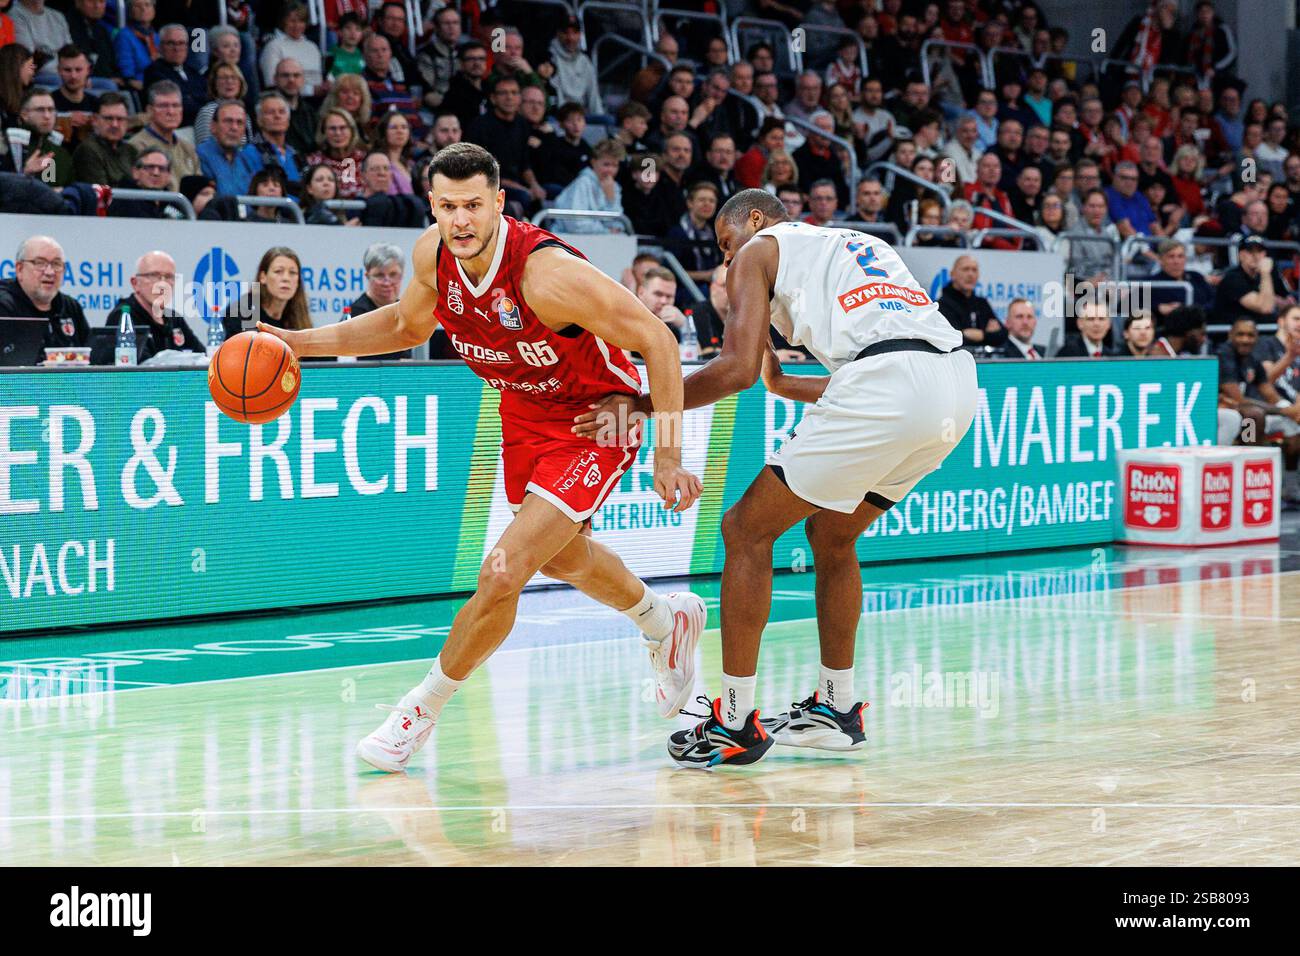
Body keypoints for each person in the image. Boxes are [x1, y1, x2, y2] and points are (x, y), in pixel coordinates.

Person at [255, 143, 705, 771]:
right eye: (447, 206)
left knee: (502, 571)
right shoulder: (431, 256)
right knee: (563, 556)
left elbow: (657, 337)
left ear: (498, 203)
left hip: (595, 418)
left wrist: (666, 451)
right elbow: (405, 328)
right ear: (432, 205)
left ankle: (419, 710)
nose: (460, 220)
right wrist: (299, 343)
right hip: (521, 410)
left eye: (473, 205)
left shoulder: (546, 276)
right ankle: (663, 621)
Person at [576, 189, 978, 767]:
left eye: (725, 244)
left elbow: (735, 371)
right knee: (833, 536)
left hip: (887, 382)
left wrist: (642, 403)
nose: (725, 260)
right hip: (955, 386)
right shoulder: (857, 242)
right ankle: (836, 709)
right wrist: (783, 382)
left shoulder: (758, 250)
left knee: (744, 530)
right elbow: (884, 364)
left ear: (756, 221)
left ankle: (734, 721)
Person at [1218, 317, 1300, 457]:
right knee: (1253, 417)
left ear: (1257, 338)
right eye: (1240, 334)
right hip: (1222, 409)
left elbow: (1270, 394)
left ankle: (1290, 474)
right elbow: (1238, 399)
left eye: (1250, 335)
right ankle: (1248, 460)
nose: (1245, 339)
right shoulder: (1224, 355)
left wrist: (1292, 410)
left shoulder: (1252, 358)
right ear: (1230, 335)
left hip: (1245, 409)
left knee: (1290, 422)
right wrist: (1285, 410)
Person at [107, 250, 204, 361]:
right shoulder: (123, 318)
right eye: (154, 276)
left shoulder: (174, 318)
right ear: (135, 283)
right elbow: (142, 369)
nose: (162, 284)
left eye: (168, 277)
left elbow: (203, 357)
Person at [0, 235, 89, 349]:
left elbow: (90, 357)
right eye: (40, 263)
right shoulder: (4, 306)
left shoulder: (70, 307)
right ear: (19, 269)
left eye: (56, 264)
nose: (50, 272)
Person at [222, 246, 312, 339]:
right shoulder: (241, 311)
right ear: (263, 277)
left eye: (292, 273)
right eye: (278, 271)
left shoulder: (297, 313)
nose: (286, 278)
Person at [127, 80, 201, 189]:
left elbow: (200, 189)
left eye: (175, 105)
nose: (170, 112)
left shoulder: (188, 148)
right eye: (163, 106)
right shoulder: (136, 146)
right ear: (150, 110)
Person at [346, 242, 412, 360]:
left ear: (402, 275)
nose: (387, 282)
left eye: (393, 274)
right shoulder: (356, 315)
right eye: (380, 275)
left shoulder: (405, 311)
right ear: (367, 276)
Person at [1214, 236, 1293, 328]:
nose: (1255, 256)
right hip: (1234, 334)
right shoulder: (1232, 278)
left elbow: (1289, 303)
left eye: (1259, 251)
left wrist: (1277, 301)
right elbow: (1265, 308)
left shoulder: (1268, 275)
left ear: (1265, 254)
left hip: (1261, 331)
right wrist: (1265, 273)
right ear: (1241, 255)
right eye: (1250, 251)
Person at [142, 23, 205, 126]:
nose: (177, 48)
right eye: (171, 43)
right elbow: (182, 104)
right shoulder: (154, 72)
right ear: (160, 47)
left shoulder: (193, 72)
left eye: (181, 43)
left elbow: (206, 97)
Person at [937, 255, 1004, 347]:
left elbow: (1003, 334)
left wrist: (981, 335)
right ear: (952, 274)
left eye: (974, 270)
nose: (970, 274)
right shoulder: (942, 305)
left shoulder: (982, 303)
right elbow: (950, 339)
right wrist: (988, 335)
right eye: (965, 269)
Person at [72, 91, 136, 185]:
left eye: (120, 119)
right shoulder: (88, 150)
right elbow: (101, 195)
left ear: (127, 122)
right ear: (95, 120)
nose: (115, 125)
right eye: (109, 118)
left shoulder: (131, 151)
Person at [198, 100, 259, 196]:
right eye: (228, 121)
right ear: (213, 126)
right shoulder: (200, 156)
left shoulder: (246, 159)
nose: (234, 127)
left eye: (239, 123)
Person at [1055, 301, 1120, 357]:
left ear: (1109, 324)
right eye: (1090, 319)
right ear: (1080, 323)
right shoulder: (1067, 354)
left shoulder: (1113, 357)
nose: (1096, 324)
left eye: (1101, 319)